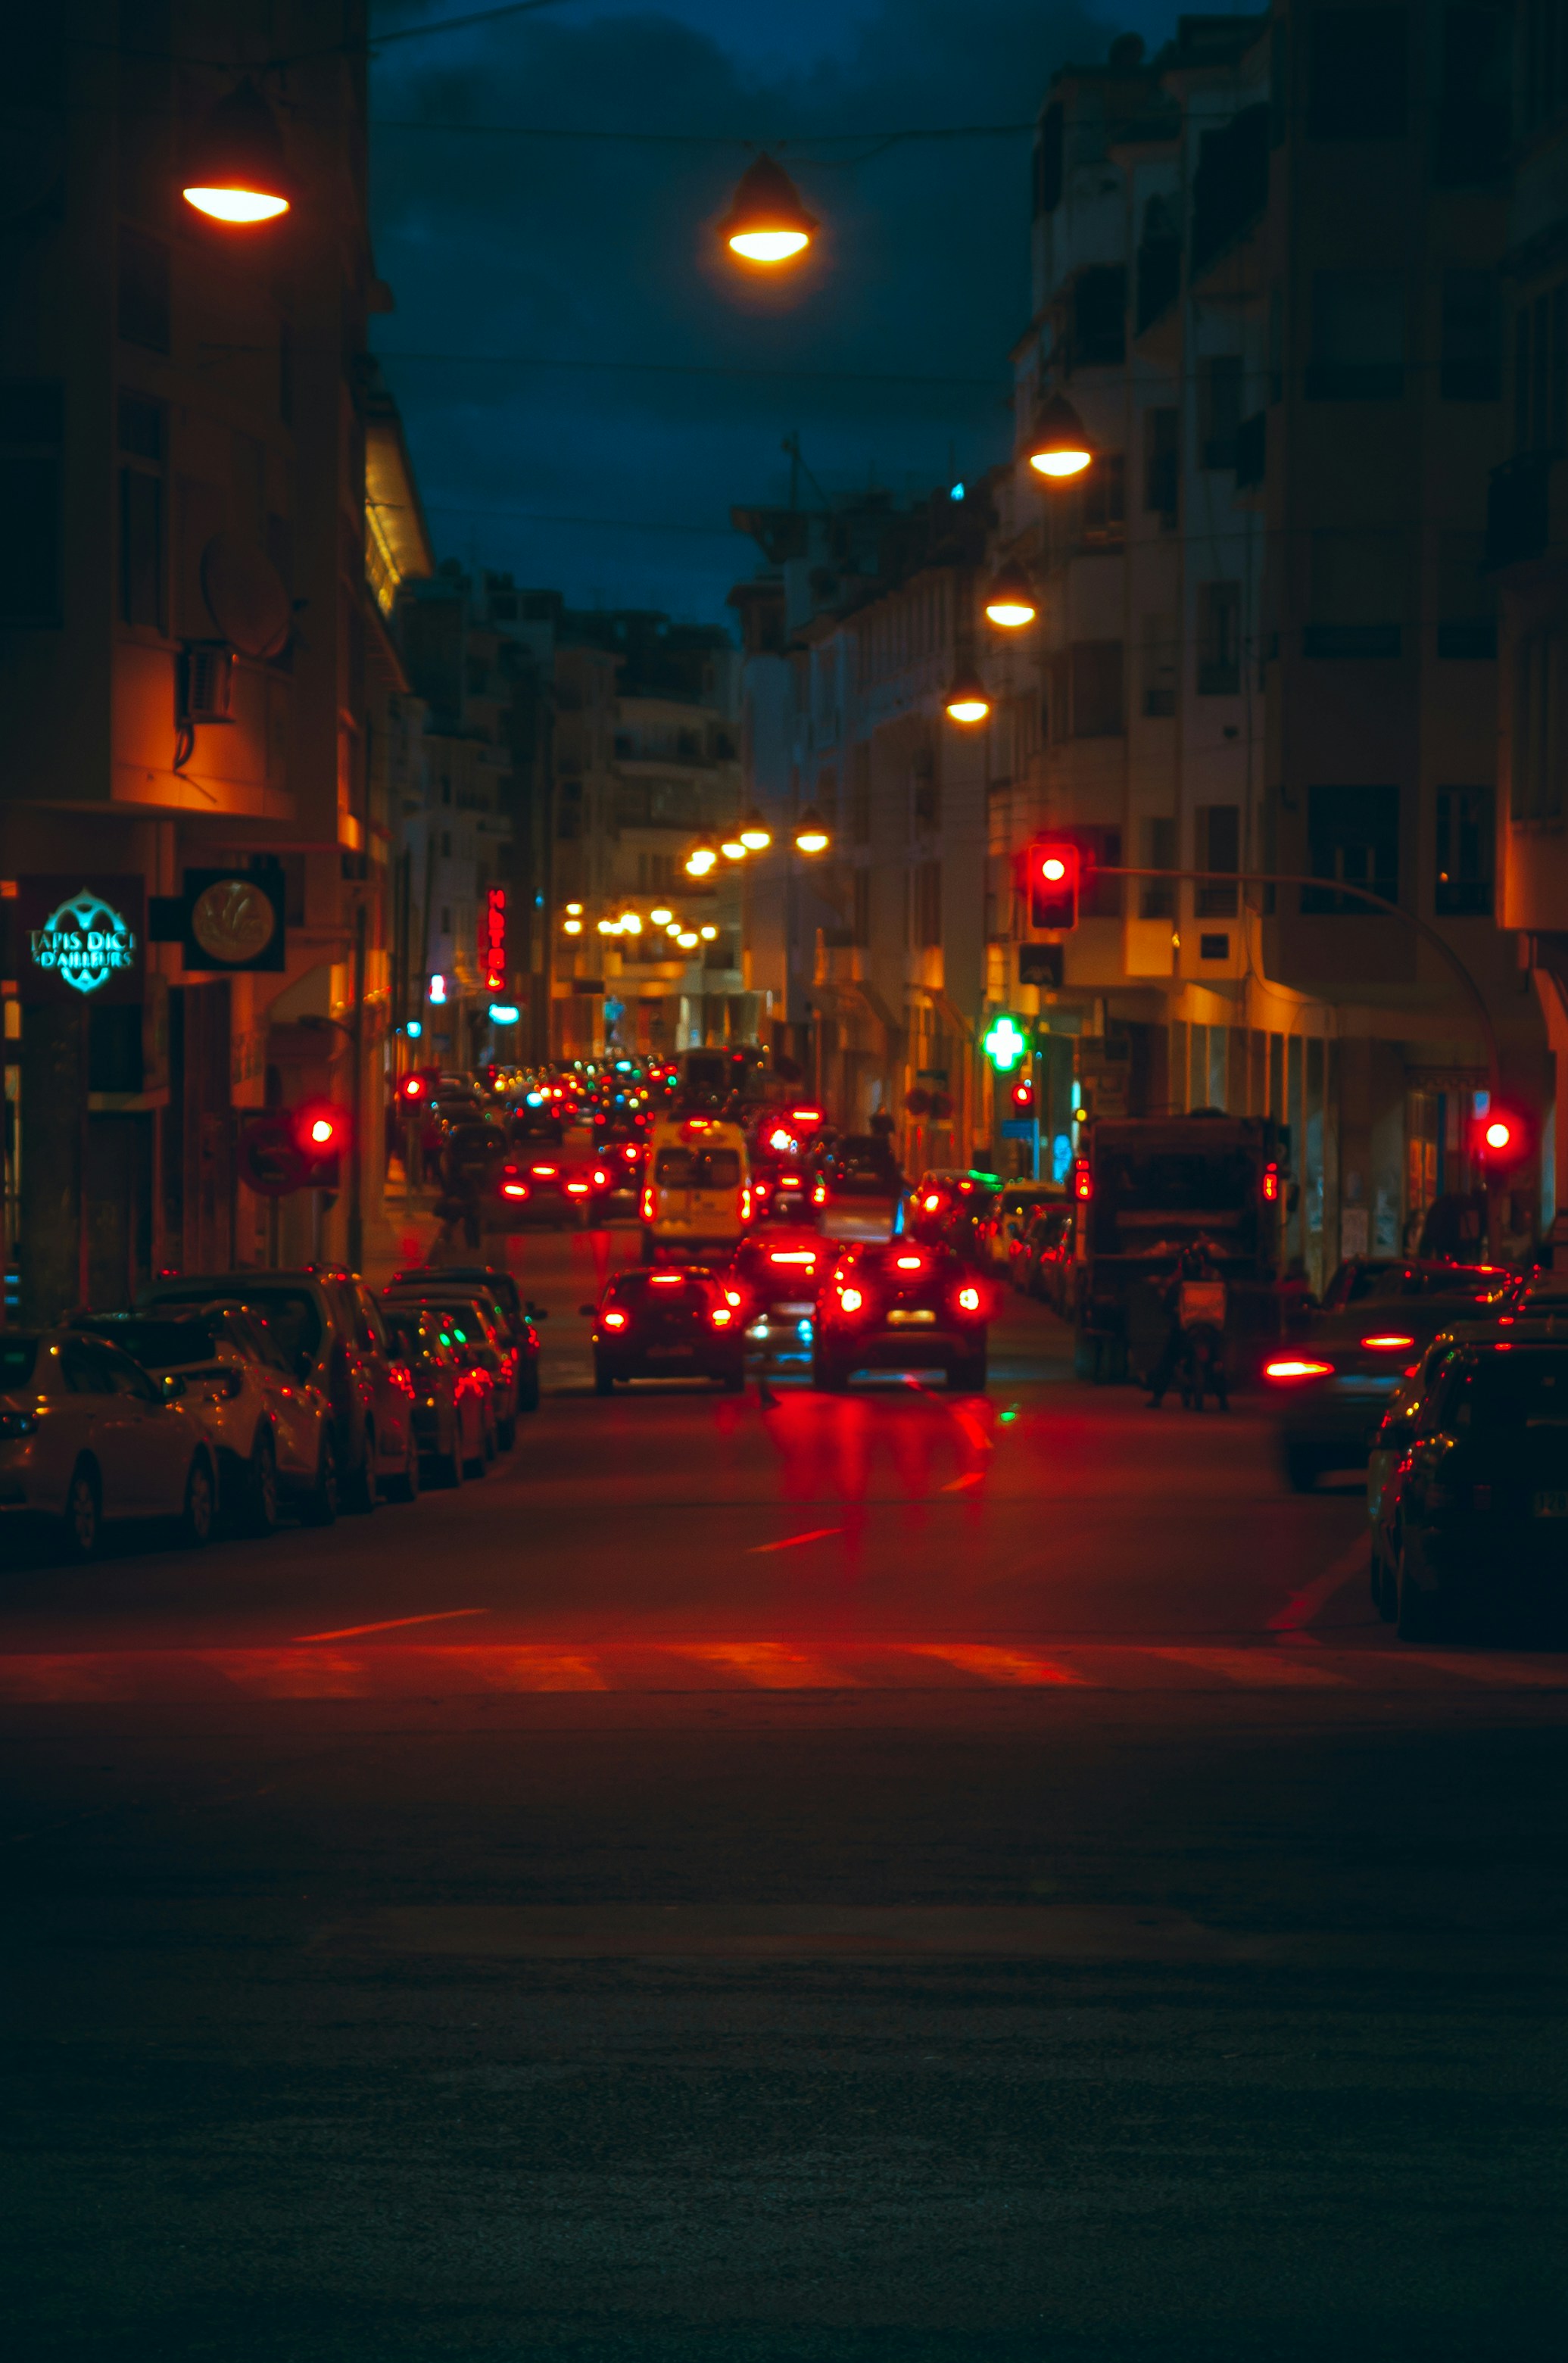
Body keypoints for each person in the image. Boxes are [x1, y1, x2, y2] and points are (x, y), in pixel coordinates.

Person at [1146, 1236, 1224, 1408]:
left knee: (1168, 1357)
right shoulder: (1213, 1281)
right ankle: (1222, 1398)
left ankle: (1158, 1397)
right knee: (1217, 1357)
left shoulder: (1179, 1285)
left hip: (1185, 1330)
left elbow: (1166, 1306)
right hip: (1210, 1327)